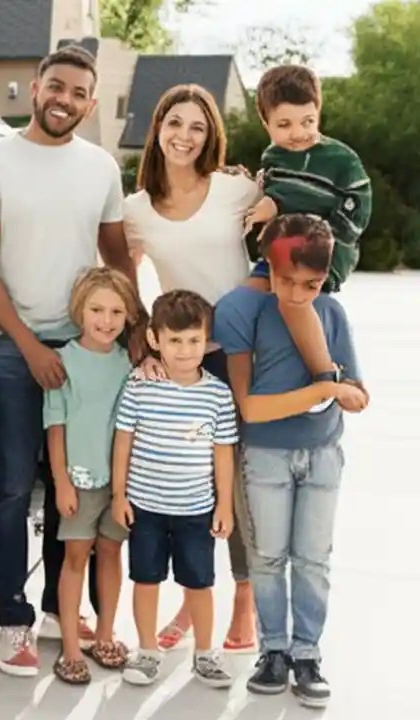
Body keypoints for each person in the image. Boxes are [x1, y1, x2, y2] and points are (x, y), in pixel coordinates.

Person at [0, 44, 144, 677]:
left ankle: (64, 613)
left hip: (87, 349)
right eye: (54, 86)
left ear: (90, 104)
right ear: (35, 88)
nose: (64, 99)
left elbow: (117, 258)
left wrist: (134, 331)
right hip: (14, 350)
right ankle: (13, 622)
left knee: (86, 480)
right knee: (12, 487)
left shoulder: (100, 169)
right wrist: (32, 347)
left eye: (77, 93)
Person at [122, 83, 261, 654]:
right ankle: (191, 595)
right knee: (194, 483)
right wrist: (143, 342)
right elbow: (122, 274)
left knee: (243, 486)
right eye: (174, 123)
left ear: (211, 138)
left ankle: (246, 602)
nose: (184, 135)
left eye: (197, 127)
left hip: (247, 353)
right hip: (187, 357)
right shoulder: (133, 209)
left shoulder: (236, 188)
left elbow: (284, 219)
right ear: (157, 128)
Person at [213, 213, 368, 708]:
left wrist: (343, 389)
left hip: (323, 454)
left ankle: (307, 655)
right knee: (267, 558)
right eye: (287, 281)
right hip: (265, 456)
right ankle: (273, 651)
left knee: (313, 561)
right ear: (267, 267)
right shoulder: (241, 310)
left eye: (313, 283)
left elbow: (359, 394)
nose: (299, 293)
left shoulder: (332, 313)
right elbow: (251, 407)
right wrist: (325, 388)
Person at [111, 289, 239, 688]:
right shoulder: (139, 385)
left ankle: (205, 653)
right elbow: (123, 441)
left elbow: (223, 453)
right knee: (145, 579)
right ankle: (147, 650)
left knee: (199, 582)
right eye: (175, 341)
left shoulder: (217, 395)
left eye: (194, 341)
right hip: (145, 507)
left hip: (196, 509)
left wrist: (225, 505)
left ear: (207, 340)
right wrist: (119, 494)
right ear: (155, 339)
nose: (184, 351)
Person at [242, 64, 372, 394]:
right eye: (284, 125)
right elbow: (279, 193)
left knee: (292, 300)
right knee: (243, 297)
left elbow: (359, 200)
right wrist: (264, 209)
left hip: (325, 250)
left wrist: (323, 236)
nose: (298, 133)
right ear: (266, 123)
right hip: (282, 251)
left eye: (308, 121)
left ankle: (325, 375)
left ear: (318, 113)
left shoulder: (340, 159)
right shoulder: (274, 156)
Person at [43, 267, 139, 684]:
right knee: (75, 558)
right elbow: (56, 426)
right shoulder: (64, 361)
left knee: (112, 553)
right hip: (79, 483)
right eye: (97, 309)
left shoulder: (128, 363)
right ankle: (68, 647)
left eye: (117, 311)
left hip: (120, 484)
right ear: (79, 310)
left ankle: (104, 635)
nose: (107, 319)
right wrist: (62, 481)